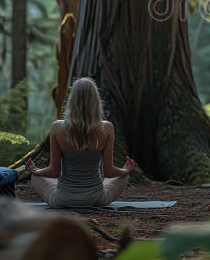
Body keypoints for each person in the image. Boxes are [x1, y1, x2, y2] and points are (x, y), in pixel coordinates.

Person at [25, 78, 136, 208]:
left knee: (35, 177)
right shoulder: (107, 128)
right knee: (124, 176)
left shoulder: (57, 127)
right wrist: (125, 169)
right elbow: (109, 172)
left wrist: (35, 170)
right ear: (96, 101)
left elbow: (54, 172)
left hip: (62, 200)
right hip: (97, 199)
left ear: (72, 100)